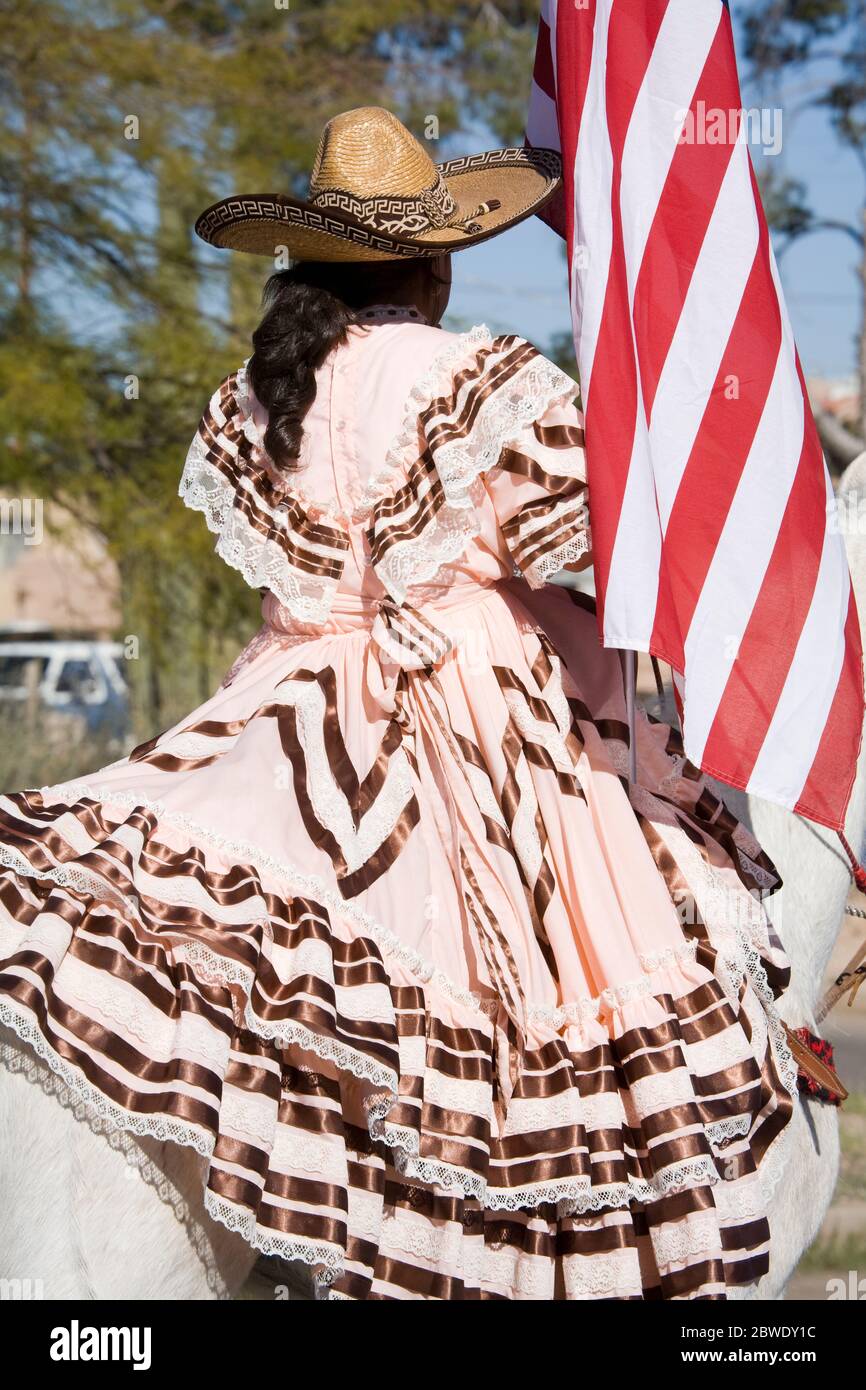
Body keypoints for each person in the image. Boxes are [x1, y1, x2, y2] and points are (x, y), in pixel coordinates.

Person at [0, 107, 796, 1301]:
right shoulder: (476, 377)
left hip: (291, 712)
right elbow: (600, 546)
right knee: (571, 994)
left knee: (273, 974)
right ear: (436, 259)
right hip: (477, 714)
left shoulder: (251, 399)